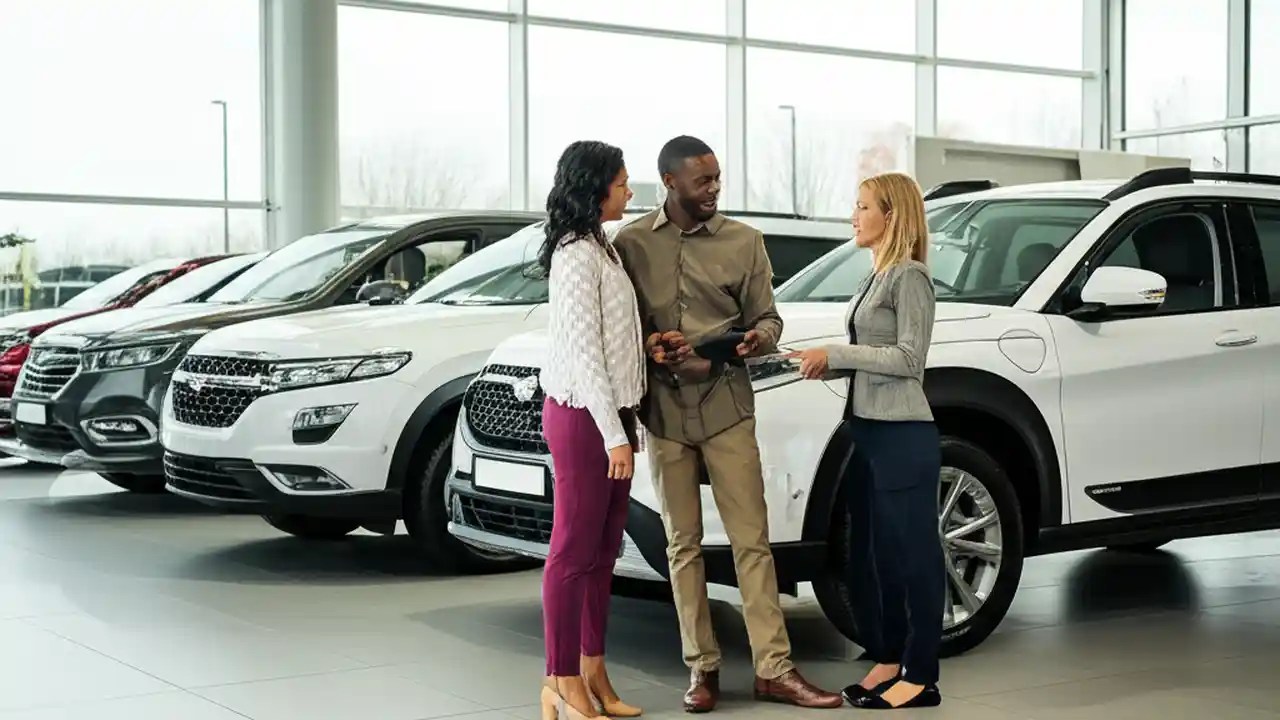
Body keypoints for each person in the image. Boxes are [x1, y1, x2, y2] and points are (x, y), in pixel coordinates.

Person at [612, 135, 842, 713]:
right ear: (670, 183)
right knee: (681, 546)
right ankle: (702, 670)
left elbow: (770, 320)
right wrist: (651, 345)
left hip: (727, 408)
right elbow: (621, 325)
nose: (714, 189)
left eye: (717, 178)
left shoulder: (745, 241)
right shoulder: (632, 243)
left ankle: (775, 670)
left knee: (752, 543)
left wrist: (749, 341)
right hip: (663, 414)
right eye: (702, 180)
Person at [791, 171, 945, 711]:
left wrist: (837, 354)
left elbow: (908, 360)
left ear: (892, 216)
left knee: (914, 557)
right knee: (874, 556)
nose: (853, 216)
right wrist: (818, 363)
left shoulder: (911, 278)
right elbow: (866, 359)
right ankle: (888, 654)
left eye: (862, 207)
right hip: (867, 431)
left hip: (903, 434)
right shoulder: (873, 279)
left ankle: (921, 674)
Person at [536, 140, 647, 720]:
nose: (629, 190)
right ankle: (559, 678)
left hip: (610, 415)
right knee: (572, 552)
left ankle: (593, 670)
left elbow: (612, 337)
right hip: (584, 417)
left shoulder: (602, 247)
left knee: (603, 552)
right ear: (594, 186)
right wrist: (614, 434)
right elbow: (583, 355)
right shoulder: (576, 253)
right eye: (622, 181)